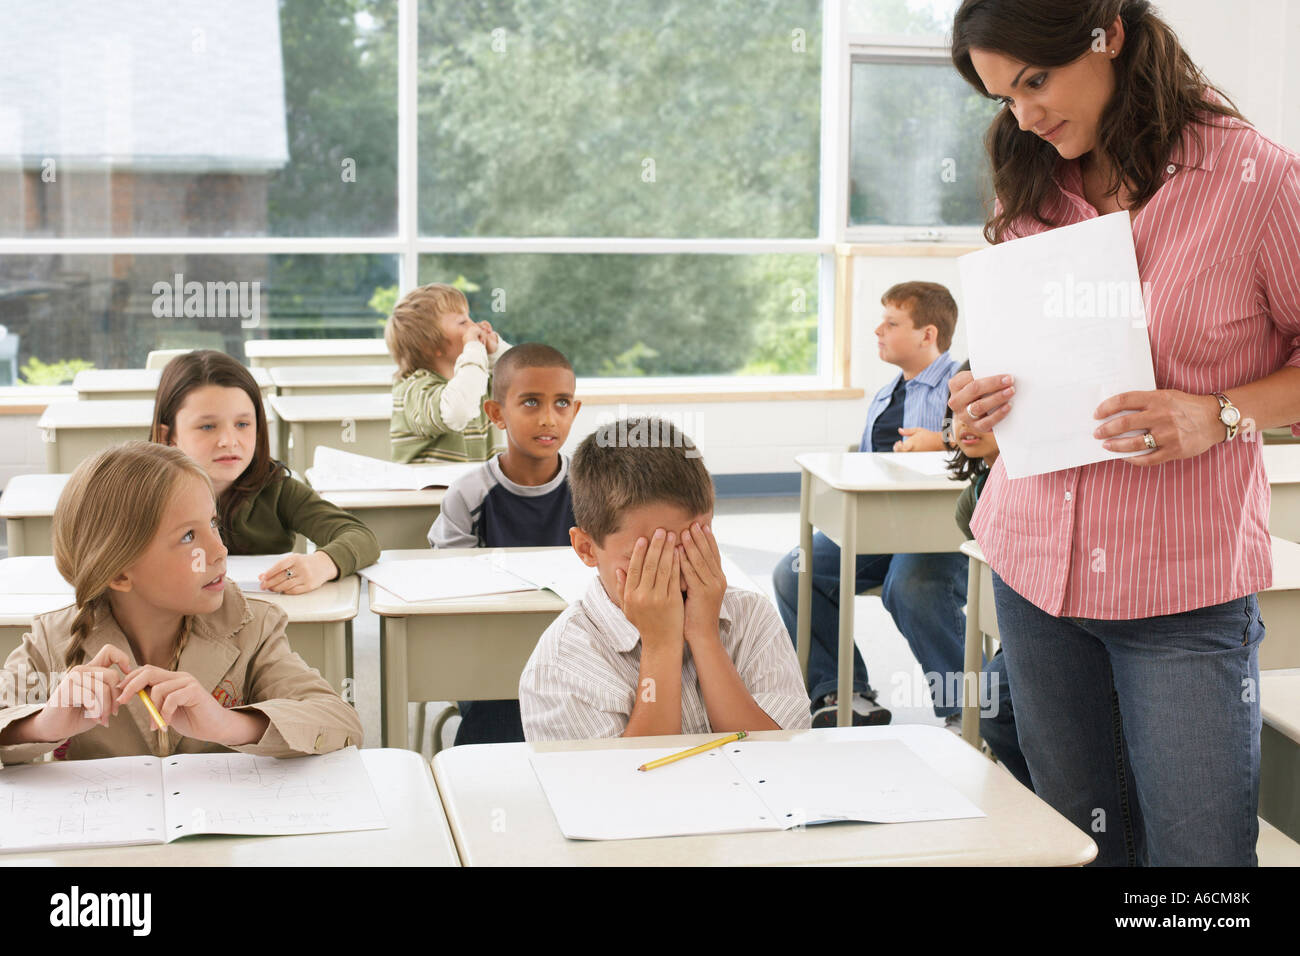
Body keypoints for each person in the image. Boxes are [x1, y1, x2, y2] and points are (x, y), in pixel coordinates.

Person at [949, 0, 1300, 864]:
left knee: (1199, 863)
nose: (1025, 116)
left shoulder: (1256, 179)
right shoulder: (1028, 178)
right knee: (1083, 844)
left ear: (1107, 35)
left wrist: (1217, 413)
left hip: (1180, 592)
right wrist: (974, 410)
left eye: (1036, 81)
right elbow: (997, 359)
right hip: (1034, 574)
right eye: (1003, 98)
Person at [0, 442, 362, 763]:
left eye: (213, 524)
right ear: (120, 574)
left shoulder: (252, 627)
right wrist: (43, 724)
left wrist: (228, 724)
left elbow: (341, 724)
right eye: (189, 536)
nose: (220, 551)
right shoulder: (52, 638)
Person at [519, 416, 810, 741]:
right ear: (587, 549)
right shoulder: (562, 666)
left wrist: (706, 637)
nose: (677, 576)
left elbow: (781, 759)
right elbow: (629, 786)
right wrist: (660, 647)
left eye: (694, 547)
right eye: (650, 559)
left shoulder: (750, 617)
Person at [772, 282, 966, 727]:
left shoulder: (961, 383)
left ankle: (969, 711)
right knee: (795, 571)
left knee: (911, 587)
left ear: (927, 334)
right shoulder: (884, 396)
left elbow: (993, 441)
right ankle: (842, 693)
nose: (878, 330)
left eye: (892, 323)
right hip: (881, 528)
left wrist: (943, 439)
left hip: (942, 534)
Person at [430, 343, 582, 745]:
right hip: (489, 660)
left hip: (575, 652)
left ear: (575, 410)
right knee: (500, 724)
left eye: (562, 403)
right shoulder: (468, 494)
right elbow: (450, 586)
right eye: (531, 403)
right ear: (496, 413)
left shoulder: (590, 490)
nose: (549, 418)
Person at [151, 350, 380, 594]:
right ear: (168, 436)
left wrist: (321, 564)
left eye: (243, 424)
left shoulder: (277, 489)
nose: (229, 441)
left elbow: (360, 536)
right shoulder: (142, 493)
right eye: (207, 426)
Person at [943, 361, 1031, 790]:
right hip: (1020, 622)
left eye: (982, 409)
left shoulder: (1037, 482)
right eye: (959, 411)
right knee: (993, 696)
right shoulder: (973, 499)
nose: (966, 423)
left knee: (994, 696)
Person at [386, 282, 510, 464]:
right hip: (424, 492)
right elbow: (457, 411)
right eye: (462, 322)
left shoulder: (476, 381)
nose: (474, 326)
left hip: (469, 489)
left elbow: (522, 380)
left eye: (470, 318)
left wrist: (495, 351)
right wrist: (474, 349)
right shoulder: (414, 389)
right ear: (431, 346)